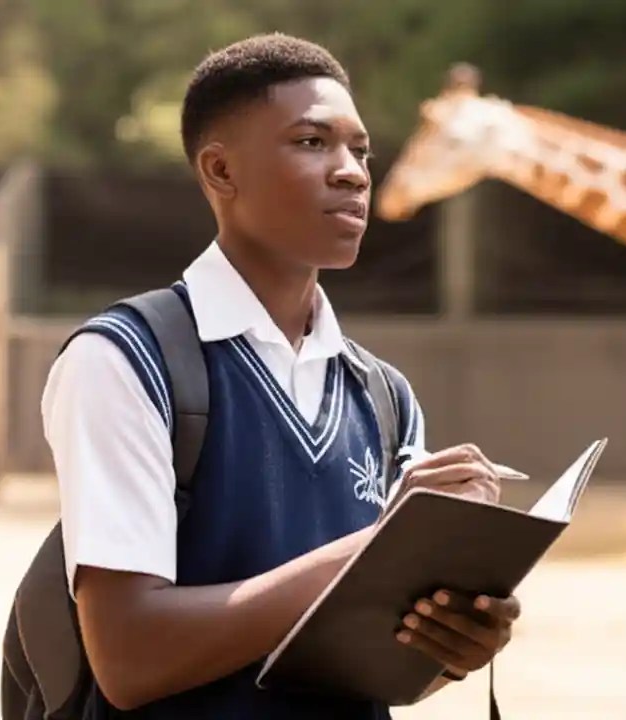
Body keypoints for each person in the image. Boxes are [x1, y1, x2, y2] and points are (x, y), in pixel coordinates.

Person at [39, 32, 522, 718]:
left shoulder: (384, 396)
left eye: (360, 151)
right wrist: (381, 547)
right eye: (311, 142)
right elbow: (129, 657)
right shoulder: (125, 360)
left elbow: (384, 666)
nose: (352, 172)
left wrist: (452, 645)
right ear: (220, 170)